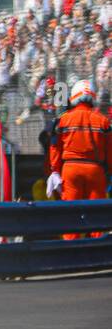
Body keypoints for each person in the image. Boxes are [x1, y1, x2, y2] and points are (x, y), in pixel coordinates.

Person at [47, 80, 111, 238]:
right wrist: (109, 170)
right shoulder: (103, 121)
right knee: (97, 215)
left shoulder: (63, 120)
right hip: (95, 171)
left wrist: (55, 170)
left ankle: (69, 252)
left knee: (71, 214)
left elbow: (55, 147)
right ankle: (98, 253)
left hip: (70, 169)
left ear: (74, 96)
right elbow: (110, 150)